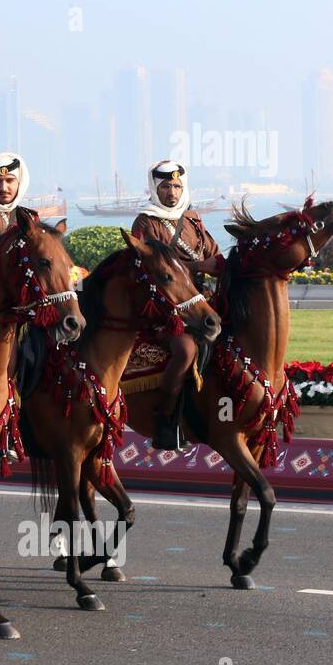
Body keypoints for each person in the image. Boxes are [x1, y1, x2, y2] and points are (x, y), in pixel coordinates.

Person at [130, 159, 221, 451]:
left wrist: (213, 265)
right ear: (156, 189)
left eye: (177, 185)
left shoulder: (192, 219)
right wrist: (196, 265)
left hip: (200, 304)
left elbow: (215, 257)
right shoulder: (146, 223)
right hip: (165, 311)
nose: (172, 192)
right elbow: (145, 270)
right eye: (166, 186)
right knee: (185, 351)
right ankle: (166, 422)